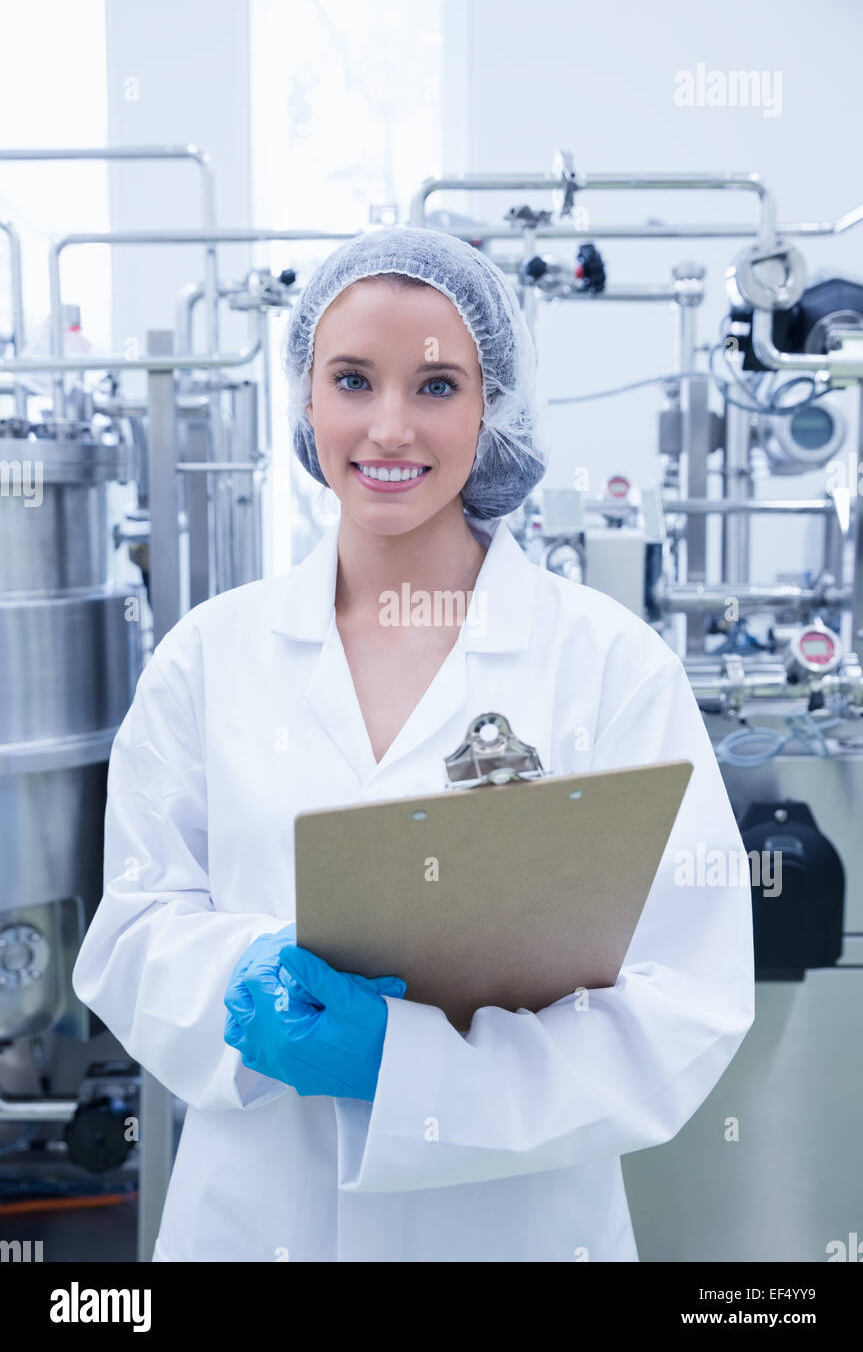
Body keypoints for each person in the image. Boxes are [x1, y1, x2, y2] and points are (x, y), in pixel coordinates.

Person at [72, 226, 754, 1262]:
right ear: (306, 399)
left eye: (435, 386)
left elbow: (686, 1002)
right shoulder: (209, 657)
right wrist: (241, 980)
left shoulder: (609, 666)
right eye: (352, 379)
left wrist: (410, 1066)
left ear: (494, 409)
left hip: (513, 1230)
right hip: (259, 1223)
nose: (388, 427)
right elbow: (133, 930)